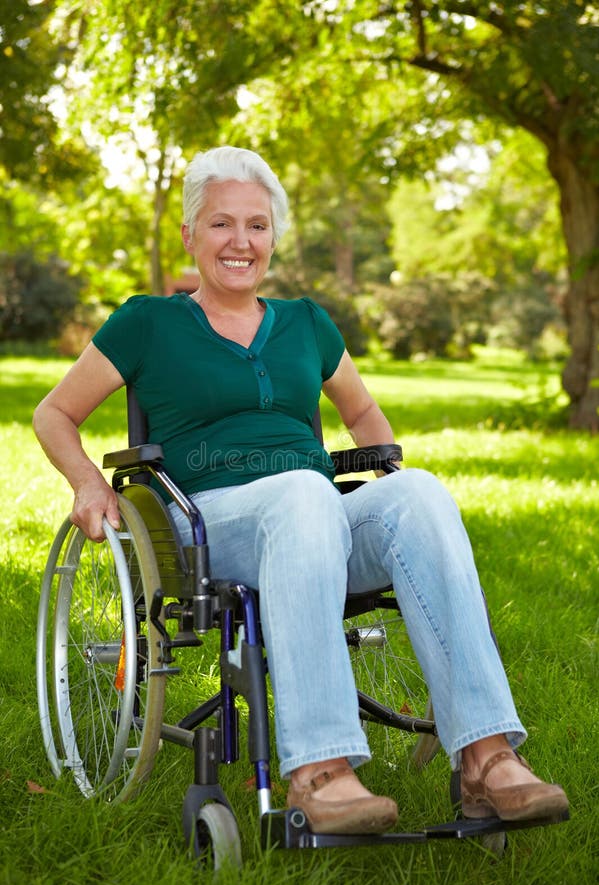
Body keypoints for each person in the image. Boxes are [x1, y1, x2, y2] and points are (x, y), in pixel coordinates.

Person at [33, 146, 568, 835]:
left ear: (274, 238)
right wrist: (86, 485)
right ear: (190, 235)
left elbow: (365, 417)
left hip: (316, 519)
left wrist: (386, 480)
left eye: (257, 226)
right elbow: (54, 412)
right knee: (302, 494)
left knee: (422, 493)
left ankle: (487, 760)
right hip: (208, 528)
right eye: (221, 224)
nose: (240, 242)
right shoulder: (147, 322)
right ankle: (320, 769)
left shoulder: (307, 323)